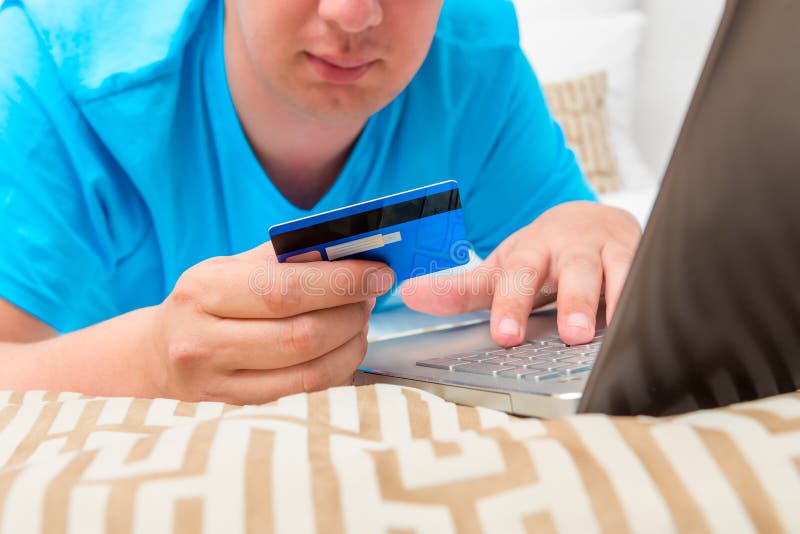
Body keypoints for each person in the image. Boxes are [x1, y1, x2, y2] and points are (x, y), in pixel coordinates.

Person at [0, 0, 641, 404]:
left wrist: (597, 231)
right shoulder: (43, 74)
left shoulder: (474, 53)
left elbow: (565, 248)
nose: (353, 14)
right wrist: (147, 363)